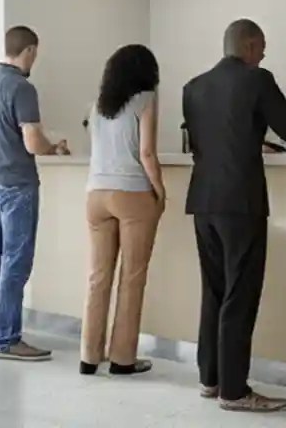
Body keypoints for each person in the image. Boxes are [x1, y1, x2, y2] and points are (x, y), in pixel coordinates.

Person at [182, 19, 286, 413]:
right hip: (241, 201)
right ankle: (234, 391)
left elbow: (203, 143)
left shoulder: (193, 86)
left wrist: (252, 142)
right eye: (262, 46)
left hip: (203, 199)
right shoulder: (257, 79)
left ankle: (210, 379)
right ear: (249, 45)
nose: (265, 53)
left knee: (214, 291)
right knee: (240, 294)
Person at [0, 26, 69, 362]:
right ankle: (8, 339)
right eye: (34, 54)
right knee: (15, 261)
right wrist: (53, 148)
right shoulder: (22, 88)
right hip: (17, 186)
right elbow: (32, 142)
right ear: (29, 51)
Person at [81, 45, 165, 377]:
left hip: (95, 194)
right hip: (131, 193)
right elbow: (147, 153)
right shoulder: (146, 99)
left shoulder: (97, 106)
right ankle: (122, 359)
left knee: (98, 276)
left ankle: (89, 356)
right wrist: (160, 191)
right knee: (132, 277)